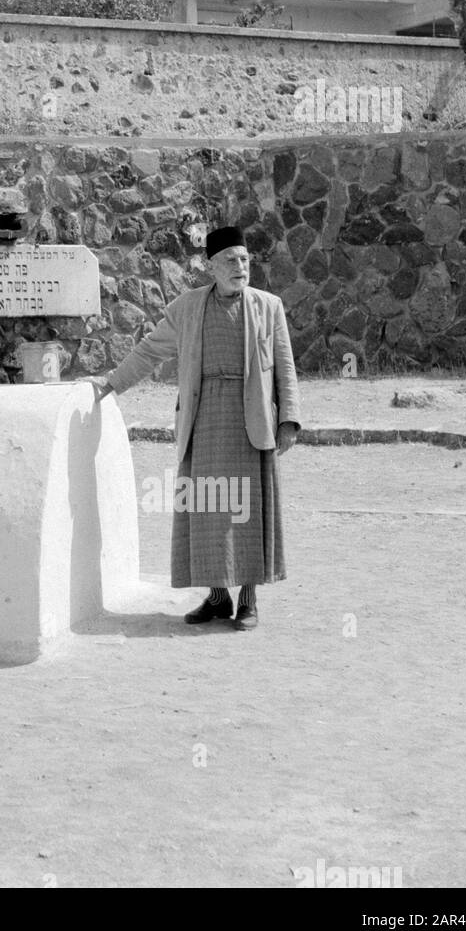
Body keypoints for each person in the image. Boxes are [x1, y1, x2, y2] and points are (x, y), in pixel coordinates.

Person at [88, 226, 301, 630]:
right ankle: (218, 598)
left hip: (251, 421)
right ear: (211, 267)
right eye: (231, 261)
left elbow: (285, 366)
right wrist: (112, 383)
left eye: (245, 260)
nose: (240, 267)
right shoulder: (187, 308)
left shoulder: (269, 307)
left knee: (246, 512)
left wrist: (288, 419)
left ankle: (248, 600)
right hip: (203, 420)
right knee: (207, 509)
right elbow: (150, 350)